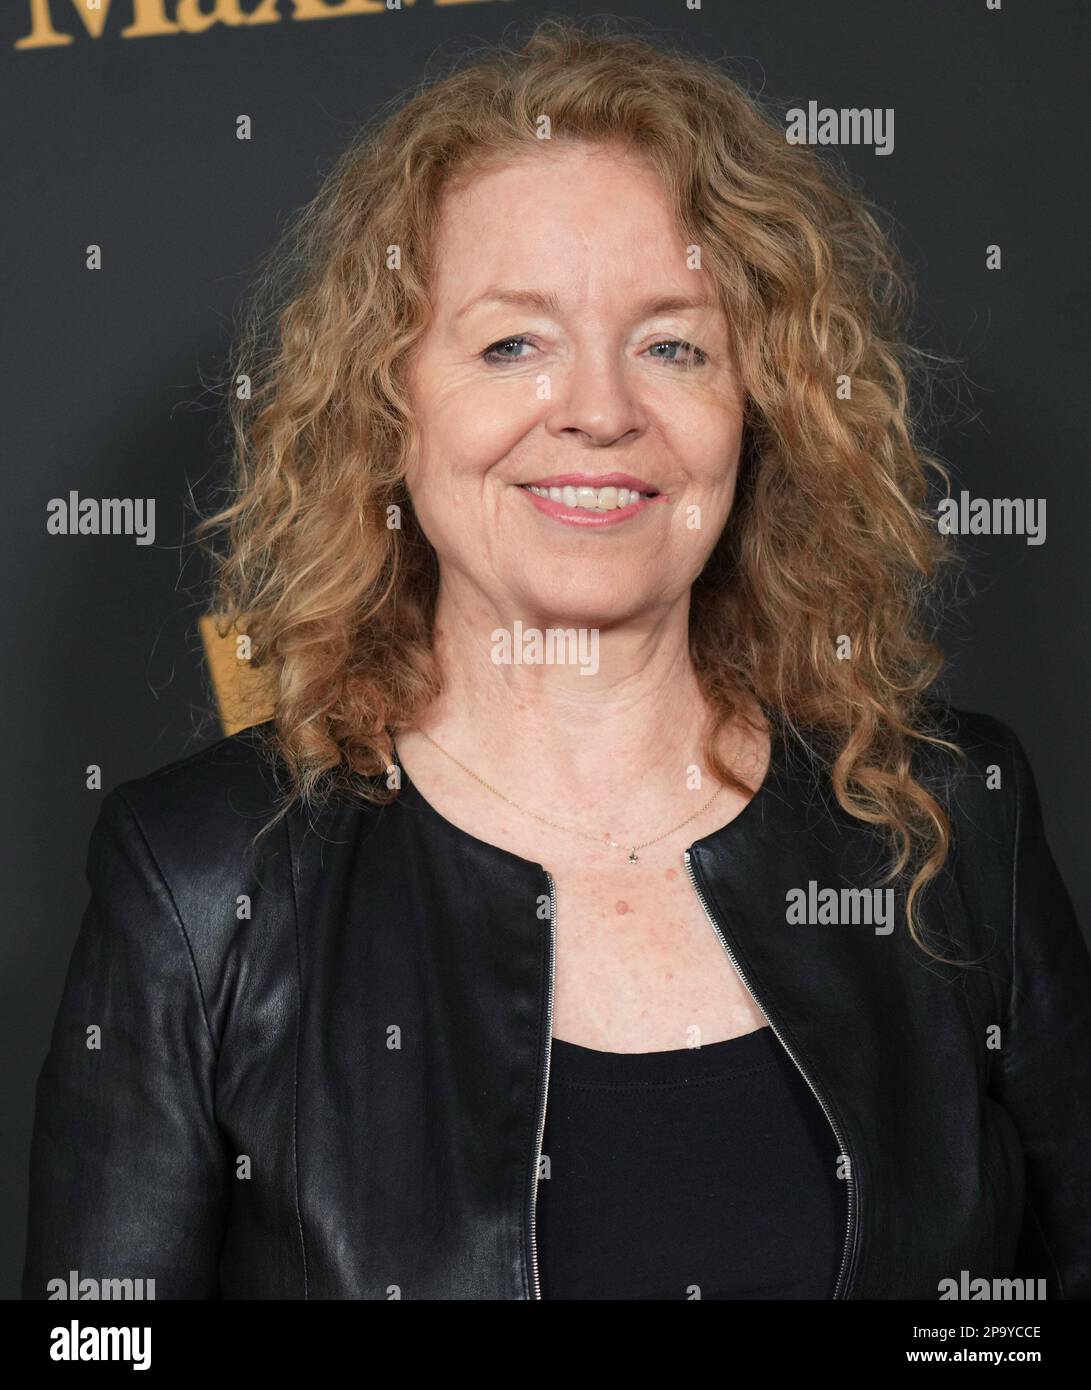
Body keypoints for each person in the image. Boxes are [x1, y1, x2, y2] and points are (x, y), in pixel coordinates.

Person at [22, 17, 1091, 1301]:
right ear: (389, 406)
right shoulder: (200, 882)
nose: (598, 408)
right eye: (511, 343)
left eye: (672, 344)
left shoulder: (946, 819)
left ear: (755, 411)